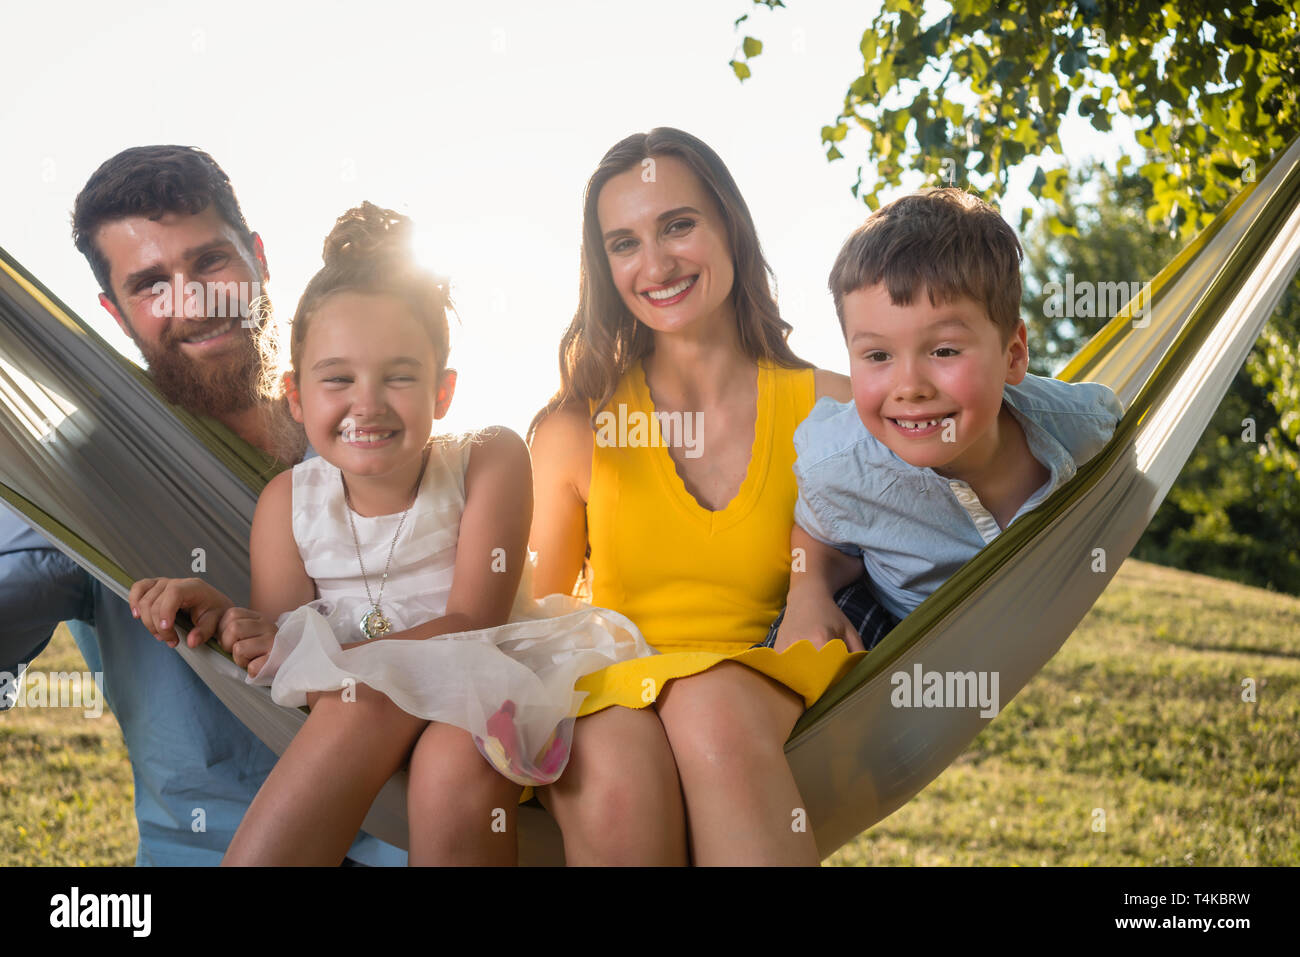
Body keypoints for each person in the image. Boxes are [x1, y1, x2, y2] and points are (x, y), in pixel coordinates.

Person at [130, 202, 649, 865]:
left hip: (487, 694)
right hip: (362, 720)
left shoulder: (489, 460)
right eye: (338, 378)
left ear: (442, 392)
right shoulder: (287, 502)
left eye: (399, 376)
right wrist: (228, 616)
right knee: (354, 702)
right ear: (296, 395)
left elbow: (468, 623)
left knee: (449, 752)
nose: (367, 402)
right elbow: (286, 653)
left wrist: (335, 666)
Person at [0, 146, 396, 865]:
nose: (193, 302)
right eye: (151, 284)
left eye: (210, 262)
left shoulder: (374, 441)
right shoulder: (83, 479)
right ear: (113, 312)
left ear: (260, 259)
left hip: (408, 839)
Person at [527, 128, 895, 865]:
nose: (656, 264)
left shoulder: (831, 407)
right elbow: (540, 619)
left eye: (679, 225)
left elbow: (903, 551)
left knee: (710, 706)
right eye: (624, 242)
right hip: (616, 698)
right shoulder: (577, 427)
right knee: (616, 768)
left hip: (772, 687)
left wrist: (810, 582)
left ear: (729, 225)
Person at [777, 187, 1123, 638]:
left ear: (1014, 356)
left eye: (943, 350)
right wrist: (806, 594)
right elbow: (818, 532)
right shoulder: (839, 465)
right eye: (878, 356)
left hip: (992, 635)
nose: (910, 387)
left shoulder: (1082, 428)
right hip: (891, 628)